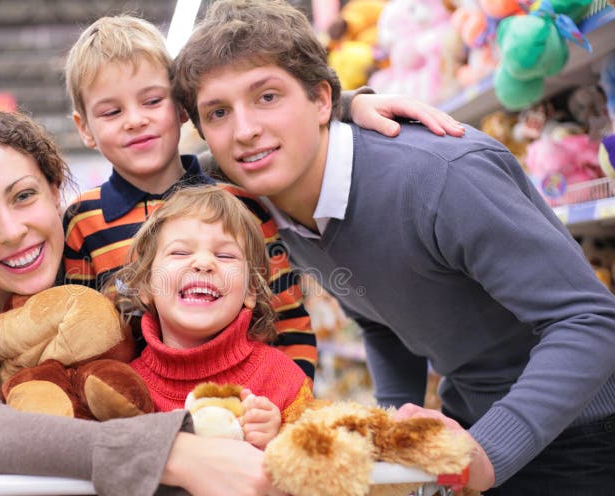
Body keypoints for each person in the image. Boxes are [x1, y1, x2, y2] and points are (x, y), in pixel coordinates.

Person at [172, 1, 615, 496]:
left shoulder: (442, 177)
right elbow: (380, 316)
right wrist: (392, 425)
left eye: (267, 96)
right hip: (466, 424)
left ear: (319, 99)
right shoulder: (262, 197)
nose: (244, 130)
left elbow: (590, 321)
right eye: (218, 112)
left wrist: (491, 449)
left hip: (582, 432)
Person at [0, 110, 296, 496]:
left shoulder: (87, 248)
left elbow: (214, 157)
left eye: (24, 196)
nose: (12, 230)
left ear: (54, 191)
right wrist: (171, 453)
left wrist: (346, 105)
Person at [61, 14, 466, 381]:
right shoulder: (83, 221)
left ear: (184, 110)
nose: (136, 120)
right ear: (85, 128)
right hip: (144, 421)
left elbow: (286, 316)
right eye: (111, 112)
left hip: (249, 410)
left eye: (152, 101)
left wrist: (291, 405)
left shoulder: (240, 200)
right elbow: (82, 336)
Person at [115, 185, 313, 449]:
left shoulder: (281, 378)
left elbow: (315, 463)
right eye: (181, 252)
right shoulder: (124, 388)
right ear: (147, 285)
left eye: (225, 255)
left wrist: (280, 436)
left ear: (251, 290)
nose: (203, 263)